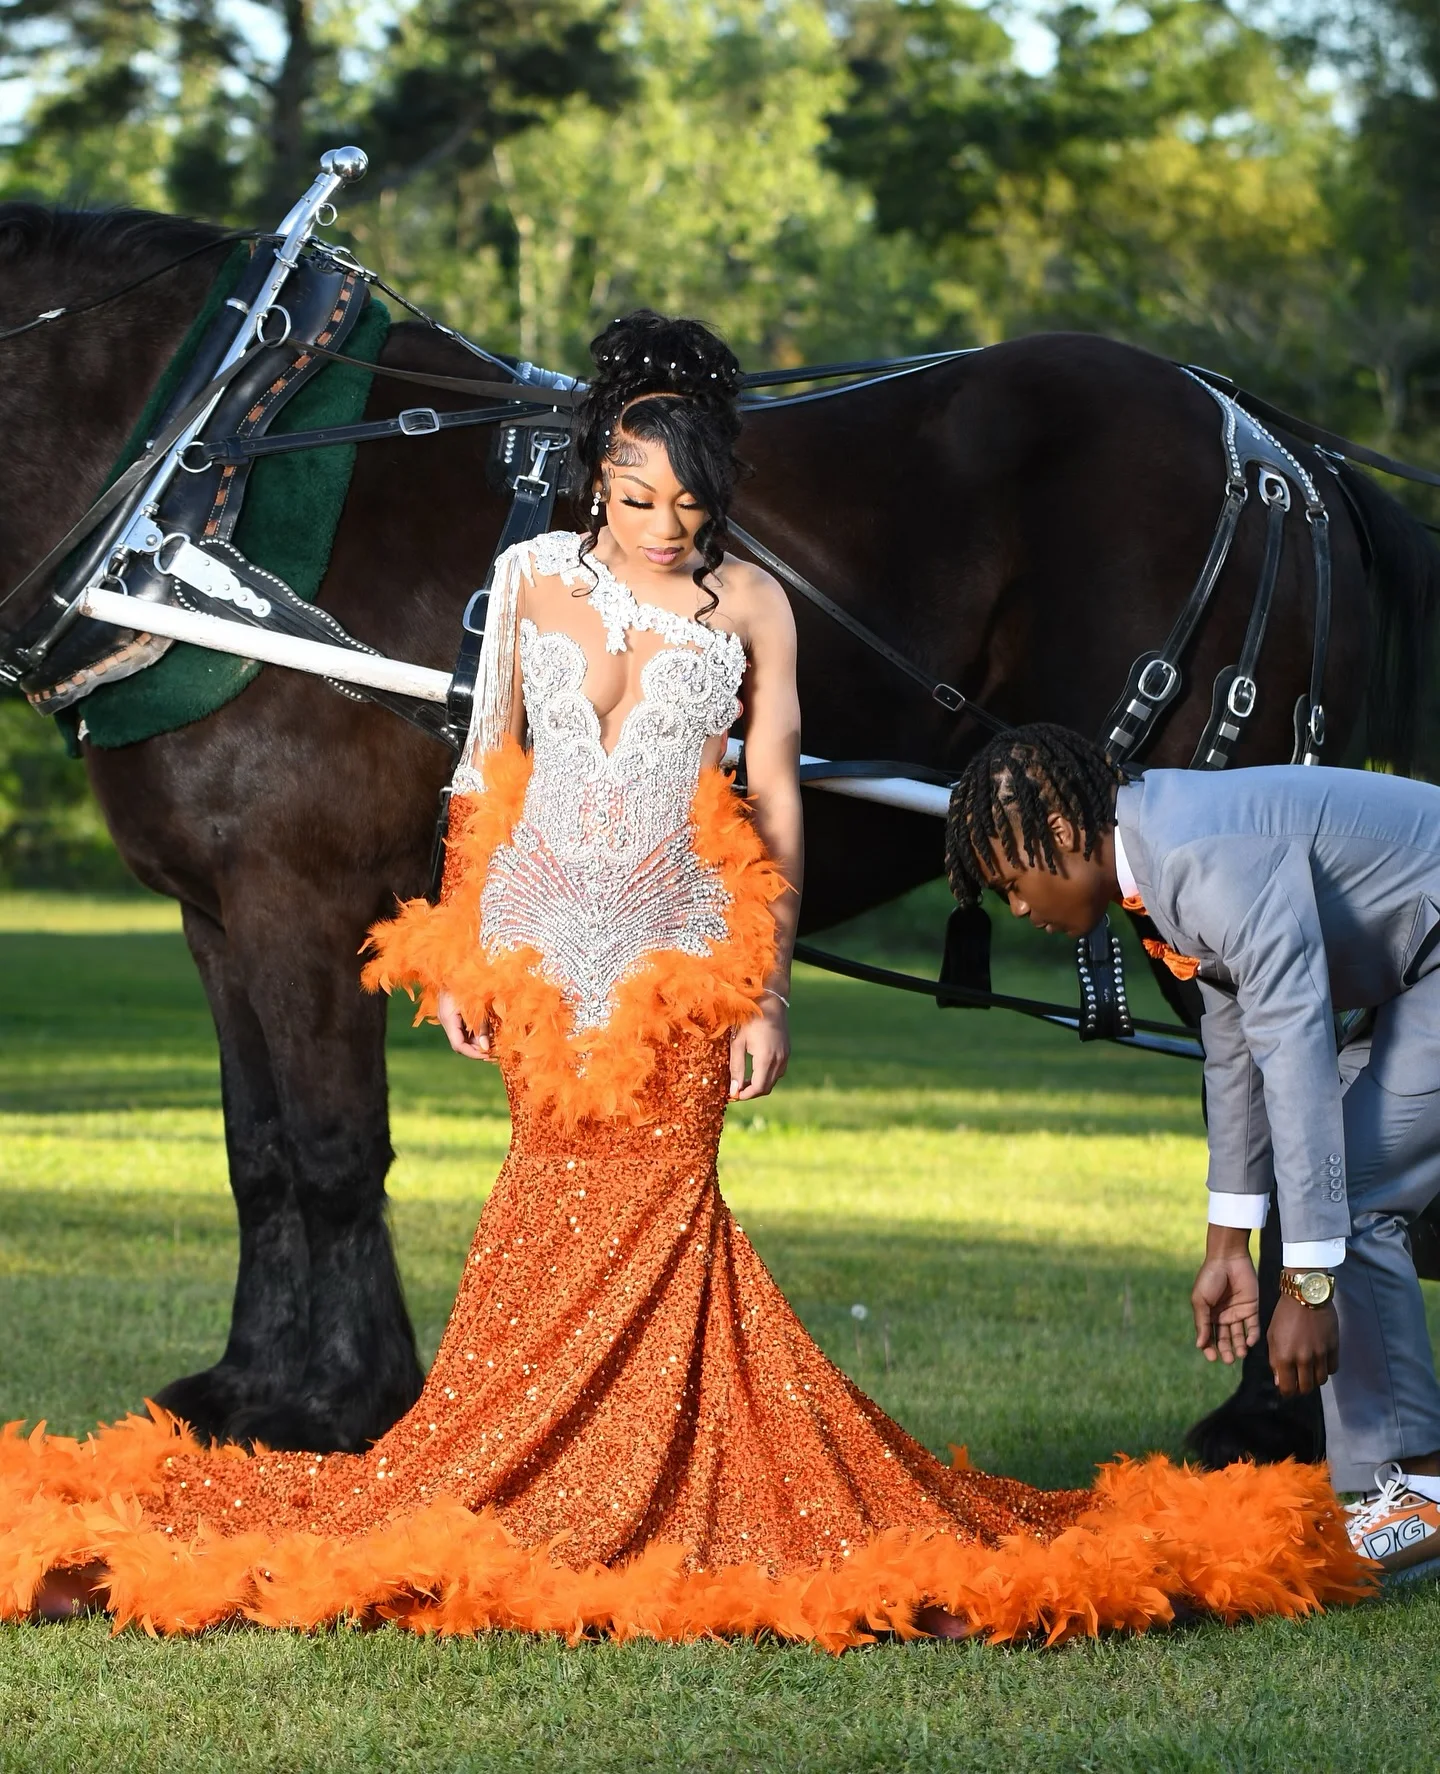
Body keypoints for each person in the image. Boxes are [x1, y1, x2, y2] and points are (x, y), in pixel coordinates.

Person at [0, 325, 1365, 1646]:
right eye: (638, 493)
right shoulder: (532, 577)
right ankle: (523, 1477)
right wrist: (466, 945)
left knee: (660, 1236)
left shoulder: (751, 603)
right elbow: (484, 771)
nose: (664, 522)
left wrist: (764, 987)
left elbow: (770, 800)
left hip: (674, 956)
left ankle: (656, 1488)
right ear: (596, 474)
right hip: (540, 951)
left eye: (693, 500)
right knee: (537, 1239)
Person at [945, 721, 1440, 1577]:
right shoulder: (1155, 854)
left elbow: (1295, 1049)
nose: (1020, 911)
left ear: (1059, 835)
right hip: (1417, 967)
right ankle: (1395, 1487)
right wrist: (1227, 1248)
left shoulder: (1201, 857)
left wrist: (1307, 1284)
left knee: (1351, 1191)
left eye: (1011, 884)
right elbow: (1236, 1046)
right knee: (1340, 1190)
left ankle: (1422, 1488)